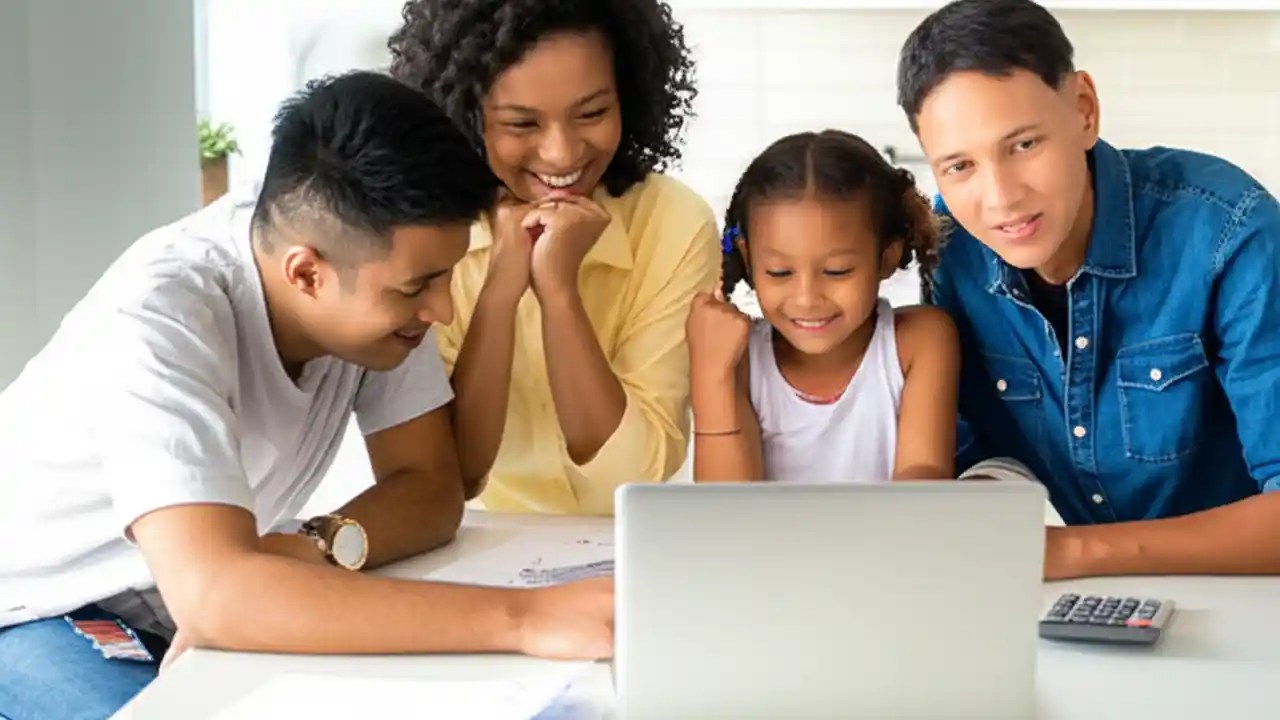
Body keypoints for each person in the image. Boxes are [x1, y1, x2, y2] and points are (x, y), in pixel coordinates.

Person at [0, 71, 612, 720]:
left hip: (184, 596)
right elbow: (218, 597)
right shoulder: (160, 319)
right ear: (307, 274)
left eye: (445, 278)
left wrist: (307, 548)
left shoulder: (362, 272)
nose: (441, 310)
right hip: (40, 606)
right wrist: (526, 619)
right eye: (418, 287)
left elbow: (431, 487)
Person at [897, 0, 1280, 578]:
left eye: (1023, 145)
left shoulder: (1228, 230)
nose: (1001, 199)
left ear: (1083, 110)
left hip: (1245, 602)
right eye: (959, 166)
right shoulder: (953, 251)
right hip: (1082, 604)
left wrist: (1073, 551)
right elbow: (975, 451)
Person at [388, 0, 719, 515]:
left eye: (592, 114)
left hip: (634, 536)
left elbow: (636, 474)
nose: (562, 153)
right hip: (483, 541)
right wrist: (501, 287)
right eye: (521, 124)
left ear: (628, 97)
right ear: (466, 117)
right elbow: (453, 475)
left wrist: (559, 292)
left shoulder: (674, 222)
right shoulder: (427, 237)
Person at [687, 130, 959, 484]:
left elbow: (922, 494)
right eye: (780, 272)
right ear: (748, 258)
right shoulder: (739, 358)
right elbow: (725, 506)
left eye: (836, 271)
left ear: (887, 257)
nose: (807, 298)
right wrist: (710, 374)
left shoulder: (919, 343)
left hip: (892, 526)